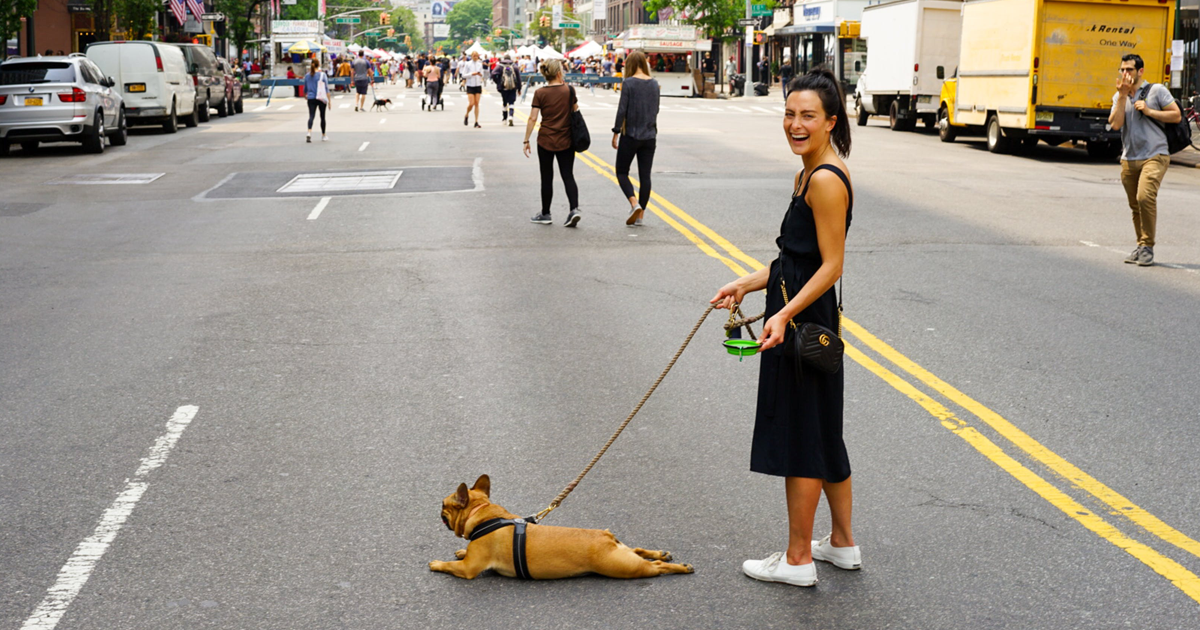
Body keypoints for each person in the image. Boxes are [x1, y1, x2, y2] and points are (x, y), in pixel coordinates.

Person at [710, 69, 858, 588]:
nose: (796, 124)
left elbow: (832, 265)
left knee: (802, 437)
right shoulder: (808, 172)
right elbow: (796, 259)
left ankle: (797, 559)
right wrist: (747, 284)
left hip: (802, 324)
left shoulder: (824, 180)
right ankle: (842, 543)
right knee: (823, 431)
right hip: (800, 314)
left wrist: (783, 312)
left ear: (831, 121)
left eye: (808, 116)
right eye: (790, 114)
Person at [1108, 52, 1181, 267]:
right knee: (1135, 205)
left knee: (1144, 196)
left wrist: (1149, 111)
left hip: (1155, 154)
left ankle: (1147, 246)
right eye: (1122, 69)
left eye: (1129, 69)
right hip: (1129, 157)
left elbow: (1176, 115)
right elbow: (1115, 124)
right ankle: (1141, 246)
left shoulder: (1156, 91)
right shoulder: (1118, 96)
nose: (1125, 73)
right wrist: (1122, 96)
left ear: (1140, 71)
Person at [523, 58, 582, 228]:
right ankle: (574, 209)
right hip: (566, 139)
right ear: (558, 73)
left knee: (546, 177)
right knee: (568, 175)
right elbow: (575, 111)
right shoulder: (569, 90)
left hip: (545, 140)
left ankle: (546, 213)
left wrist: (526, 139)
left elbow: (533, 118)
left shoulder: (540, 93)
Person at [611, 51, 659, 227]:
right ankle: (641, 215)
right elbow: (656, 109)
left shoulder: (629, 83)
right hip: (649, 136)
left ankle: (634, 203)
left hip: (630, 135)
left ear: (630, 65)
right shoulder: (654, 83)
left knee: (622, 171)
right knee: (645, 176)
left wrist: (616, 131)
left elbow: (622, 110)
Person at [304, 58, 330, 143]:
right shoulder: (322, 75)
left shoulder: (307, 75)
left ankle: (309, 132)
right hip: (321, 98)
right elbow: (326, 88)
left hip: (311, 98)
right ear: (319, 65)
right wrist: (329, 101)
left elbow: (305, 88)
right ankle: (323, 135)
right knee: (322, 117)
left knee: (311, 116)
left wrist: (305, 95)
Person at [492, 54, 523, 126]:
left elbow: (493, 74)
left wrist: (498, 82)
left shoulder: (500, 66)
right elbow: (518, 78)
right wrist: (519, 88)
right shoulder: (514, 66)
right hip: (513, 87)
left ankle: (504, 119)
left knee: (504, 103)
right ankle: (511, 116)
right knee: (511, 103)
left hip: (504, 87)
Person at [462, 51, 486, 128]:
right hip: (470, 85)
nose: (475, 57)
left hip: (478, 85)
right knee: (471, 103)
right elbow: (463, 75)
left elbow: (482, 74)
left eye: (476, 56)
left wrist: (480, 74)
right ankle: (466, 114)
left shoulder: (479, 64)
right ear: (471, 56)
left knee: (477, 103)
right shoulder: (468, 64)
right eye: (474, 56)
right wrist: (472, 74)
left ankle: (476, 121)